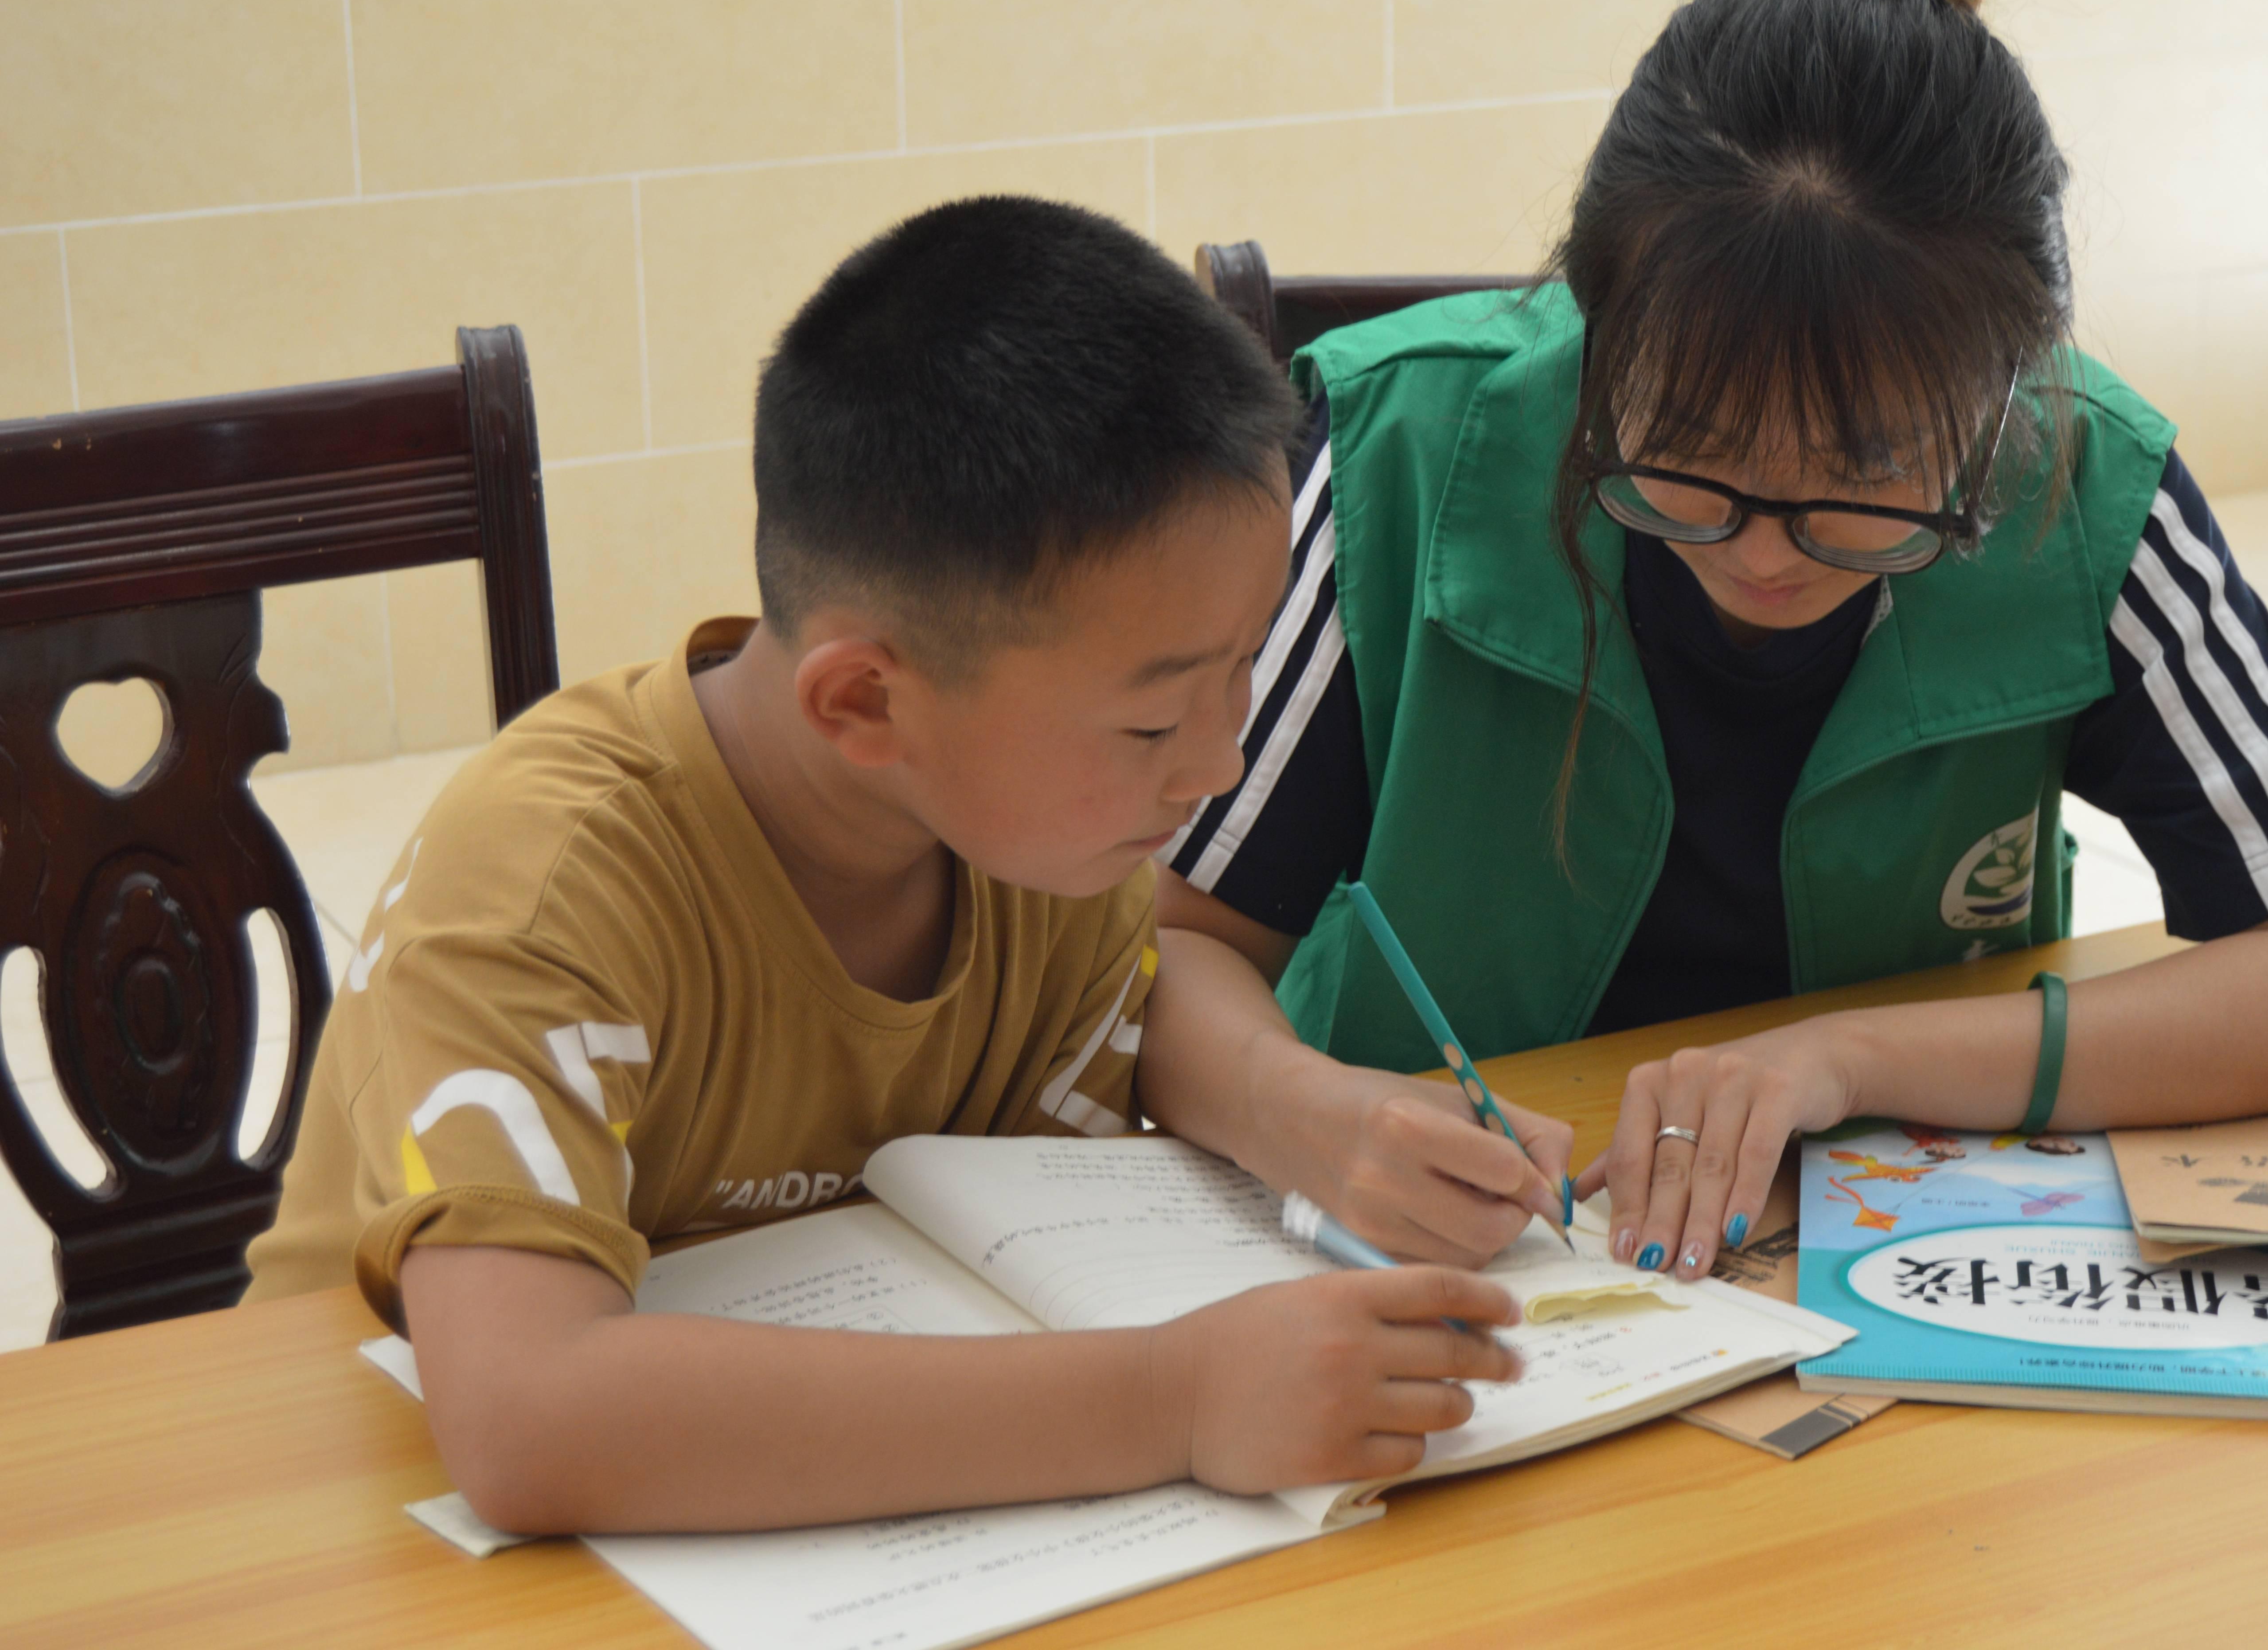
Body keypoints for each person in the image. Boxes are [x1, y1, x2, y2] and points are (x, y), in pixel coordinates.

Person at [1155, 0, 2268, 1291]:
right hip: (1442, 1266)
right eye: (1686, 452)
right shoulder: (1402, 457)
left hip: (1865, 1260)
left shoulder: (2082, 491)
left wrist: (1850, 1058)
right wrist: (1303, 1115)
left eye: (1869, 473)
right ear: (1595, 325)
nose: (1765, 553)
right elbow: (1162, 950)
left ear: (2005, 393)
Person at [241, 198, 1556, 1536]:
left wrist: (1307, 1114)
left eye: (1244, 671)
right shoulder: (545, 884)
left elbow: (1134, 1022)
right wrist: (1171, 1399)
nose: (1220, 763)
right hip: (332, 1517)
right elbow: (528, 1418)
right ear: (865, 702)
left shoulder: (1035, 835)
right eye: (1157, 721)